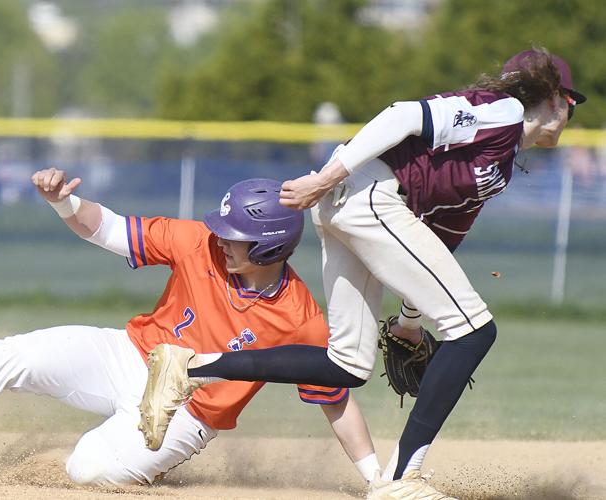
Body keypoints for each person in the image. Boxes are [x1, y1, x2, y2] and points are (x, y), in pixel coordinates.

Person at [139, 48, 586, 499]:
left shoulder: (501, 165)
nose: (569, 115)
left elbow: (439, 241)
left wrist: (410, 324)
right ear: (554, 99)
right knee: (474, 331)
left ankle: (190, 366)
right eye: (570, 104)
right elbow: (404, 115)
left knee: (346, 364)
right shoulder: (503, 112)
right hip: (365, 192)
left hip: (362, 206)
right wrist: (325, 178)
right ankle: (398, 481)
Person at [0, 170, 382, 486]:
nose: (221, 238)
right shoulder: (198, 242)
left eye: (235, 234)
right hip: (129, 354)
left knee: (85, 470)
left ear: (270, 247)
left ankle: (140, 460)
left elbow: (335, 398)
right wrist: (63, 201)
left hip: (185, 412)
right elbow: (108, 230)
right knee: (8, 354)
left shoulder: (301, 317)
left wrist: (377, 480)